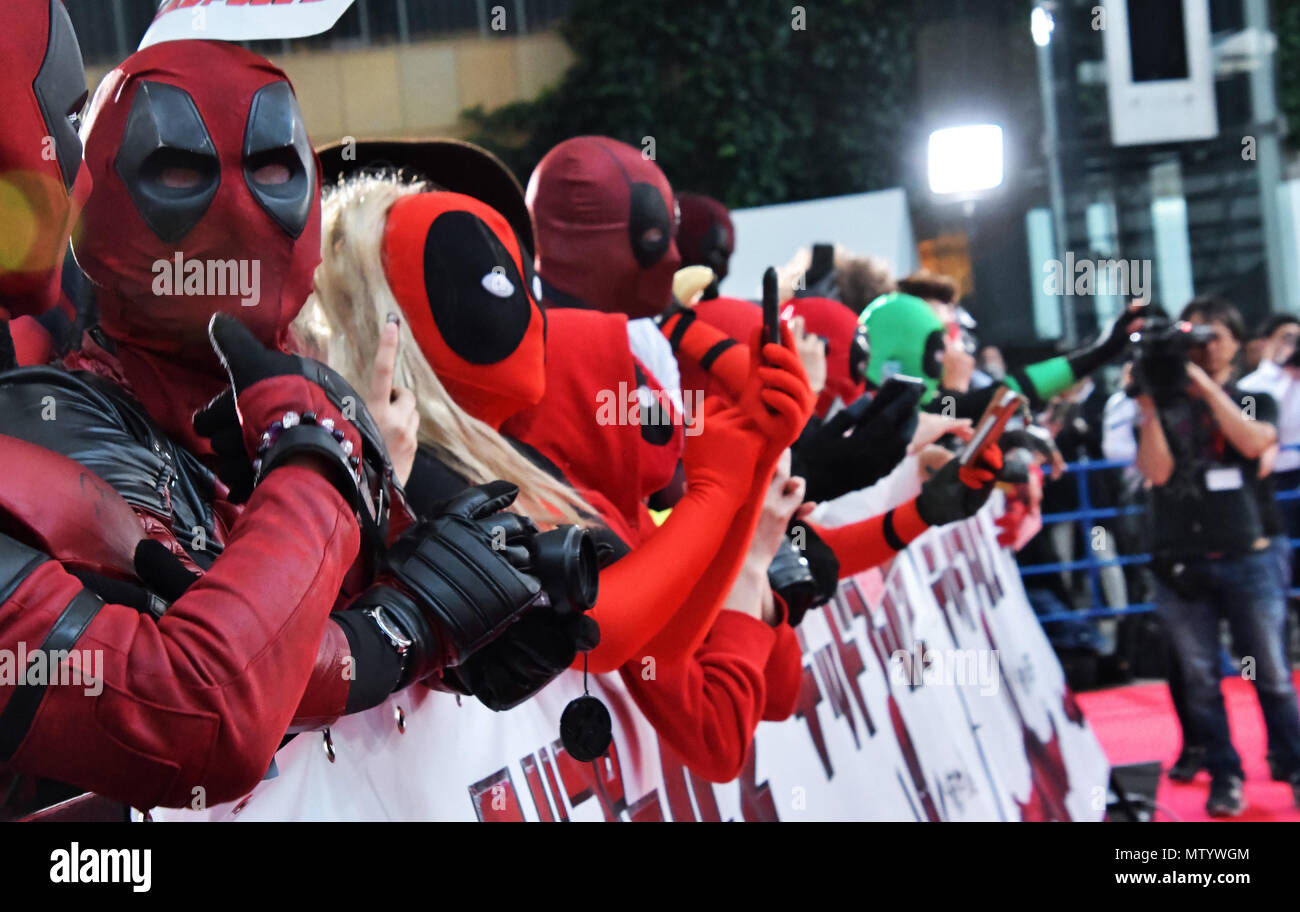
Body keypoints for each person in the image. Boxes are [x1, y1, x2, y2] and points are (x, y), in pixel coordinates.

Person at [0, 40, 552, 815]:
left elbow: (352, 604)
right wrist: (411, 624)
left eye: (269, 167)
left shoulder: (323, 398)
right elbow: (212, 695)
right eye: (181, 170)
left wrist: (486, 622)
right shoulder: (46, 426)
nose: (236, 211)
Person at [1133, 295, 1300, 816]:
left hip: (1247, 556)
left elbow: (1253, 443)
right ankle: (1224, 775)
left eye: (1214, 337)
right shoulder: (1164, 403)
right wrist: (1152, 405)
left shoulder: (1253, 397)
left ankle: (1292, 765)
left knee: (1269, 674)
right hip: (1180, 560)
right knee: (1202, 681)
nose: (1202, 348)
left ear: (1235, 343)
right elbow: (1156, 474)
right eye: (1193, 337)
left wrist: (1204, 387)